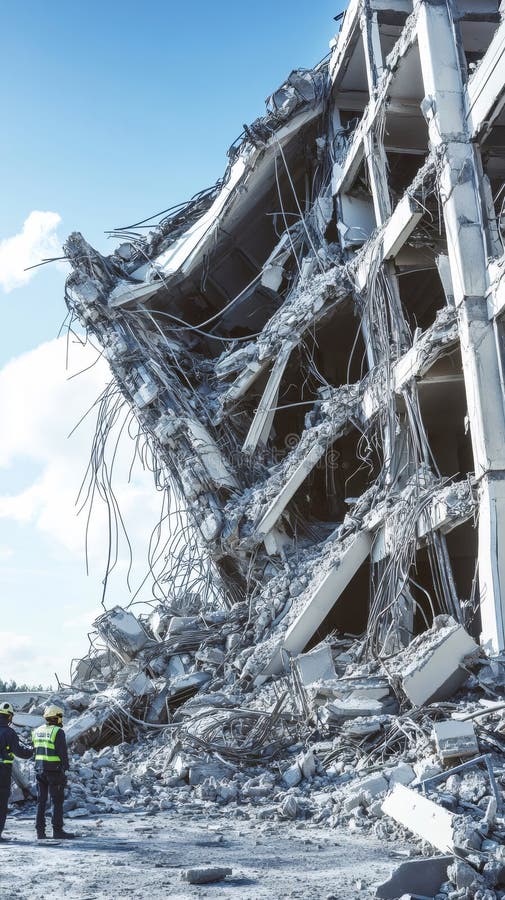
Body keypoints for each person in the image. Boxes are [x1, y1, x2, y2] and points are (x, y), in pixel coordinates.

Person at [32, 705, 75, 840]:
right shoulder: (58, 732)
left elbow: (34, 750)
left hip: (39, 770)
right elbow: (62, 752)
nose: (62, 719)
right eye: (61, 716)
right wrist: (66, 768)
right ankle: (57, 831)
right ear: (56, 718)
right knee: (57, 801)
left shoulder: (37, 730)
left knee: (41, 802)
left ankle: (40, 832)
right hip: (54, 771)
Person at [0, 702, 33, 841]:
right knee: (1, 804)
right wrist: (32, 750)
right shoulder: (9, 732)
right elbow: (20, 752)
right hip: (3, 772)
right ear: (9, 717)